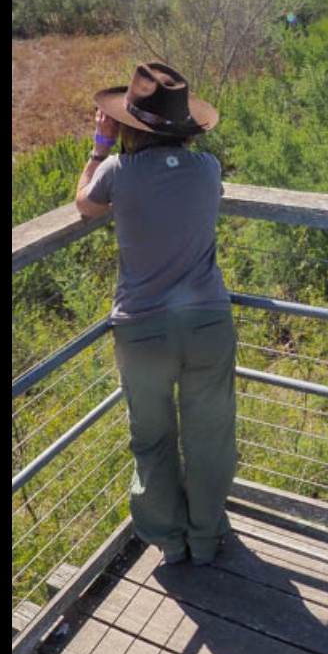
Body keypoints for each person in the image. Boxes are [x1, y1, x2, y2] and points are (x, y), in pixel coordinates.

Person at [75, 61, 238, 568]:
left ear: (127, 123)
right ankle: (206, 539)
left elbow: (85, 205)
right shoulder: (207, 168)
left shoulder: (116, 173)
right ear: (186, 125)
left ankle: (170, 542)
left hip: (142, 329)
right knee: (210, 437)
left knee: (152, 438)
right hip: (208, 322)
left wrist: (99, 148)